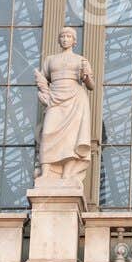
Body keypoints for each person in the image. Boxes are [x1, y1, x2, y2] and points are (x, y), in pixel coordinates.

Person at [34, 25, 95, 184]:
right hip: (55, 98)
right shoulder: (50, 59)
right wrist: (45, 94)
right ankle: (46, 172)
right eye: (62, 36)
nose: (65, 39)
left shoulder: (80, 60)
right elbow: (42, 78)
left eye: (68, 37)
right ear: (59, 40)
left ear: (74, 41)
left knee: (70, 138)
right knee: (47, 133)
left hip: (74, 98)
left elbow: (91, 86)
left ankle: (67, 173)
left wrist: (86, 76)